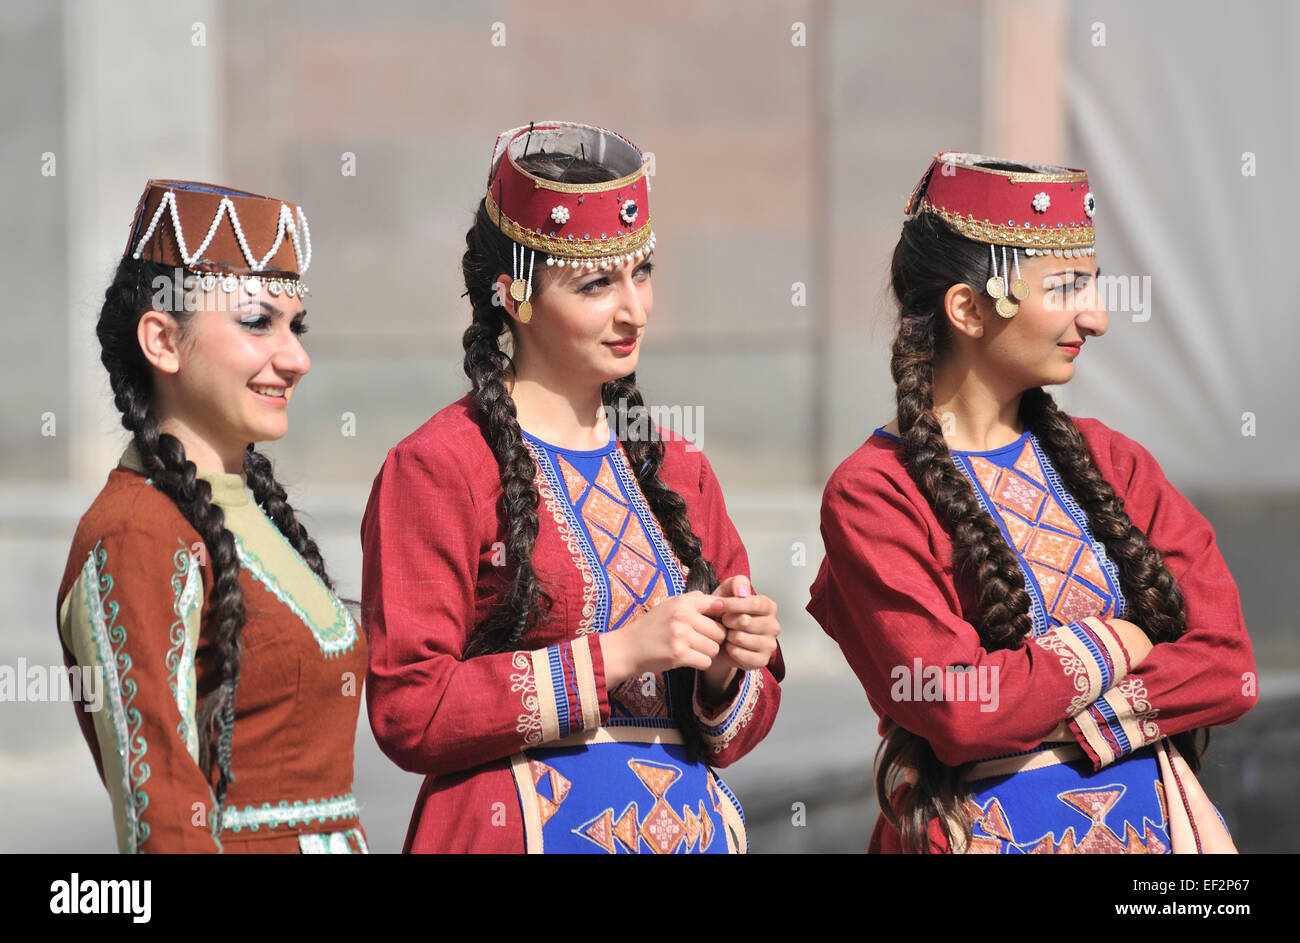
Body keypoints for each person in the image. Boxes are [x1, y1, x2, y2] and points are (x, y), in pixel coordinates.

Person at [807, 153, 1256, 854]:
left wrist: (1058, 703)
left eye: (1095, 288)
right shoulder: (875, 492)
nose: (1098, 318)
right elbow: (956, 707)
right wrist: (1121, 640)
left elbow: (1227, 664)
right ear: (968, 308)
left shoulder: (1115, 462)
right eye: (1068, 288)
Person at [362, 121, 783, 853]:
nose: (635, 310)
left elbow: (743, 719)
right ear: (515, 295)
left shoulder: (678, 469)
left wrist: (724, 667)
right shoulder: (440, 465)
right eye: (596, 284)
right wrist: (617, 655)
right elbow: (410, 707)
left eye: (641, 272)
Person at [56, 180, 368, 853]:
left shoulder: (253, 509)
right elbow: (162, 817)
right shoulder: (135, 531)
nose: (296, 358)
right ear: (163, 340)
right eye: (258, 322)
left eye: (297, 326)